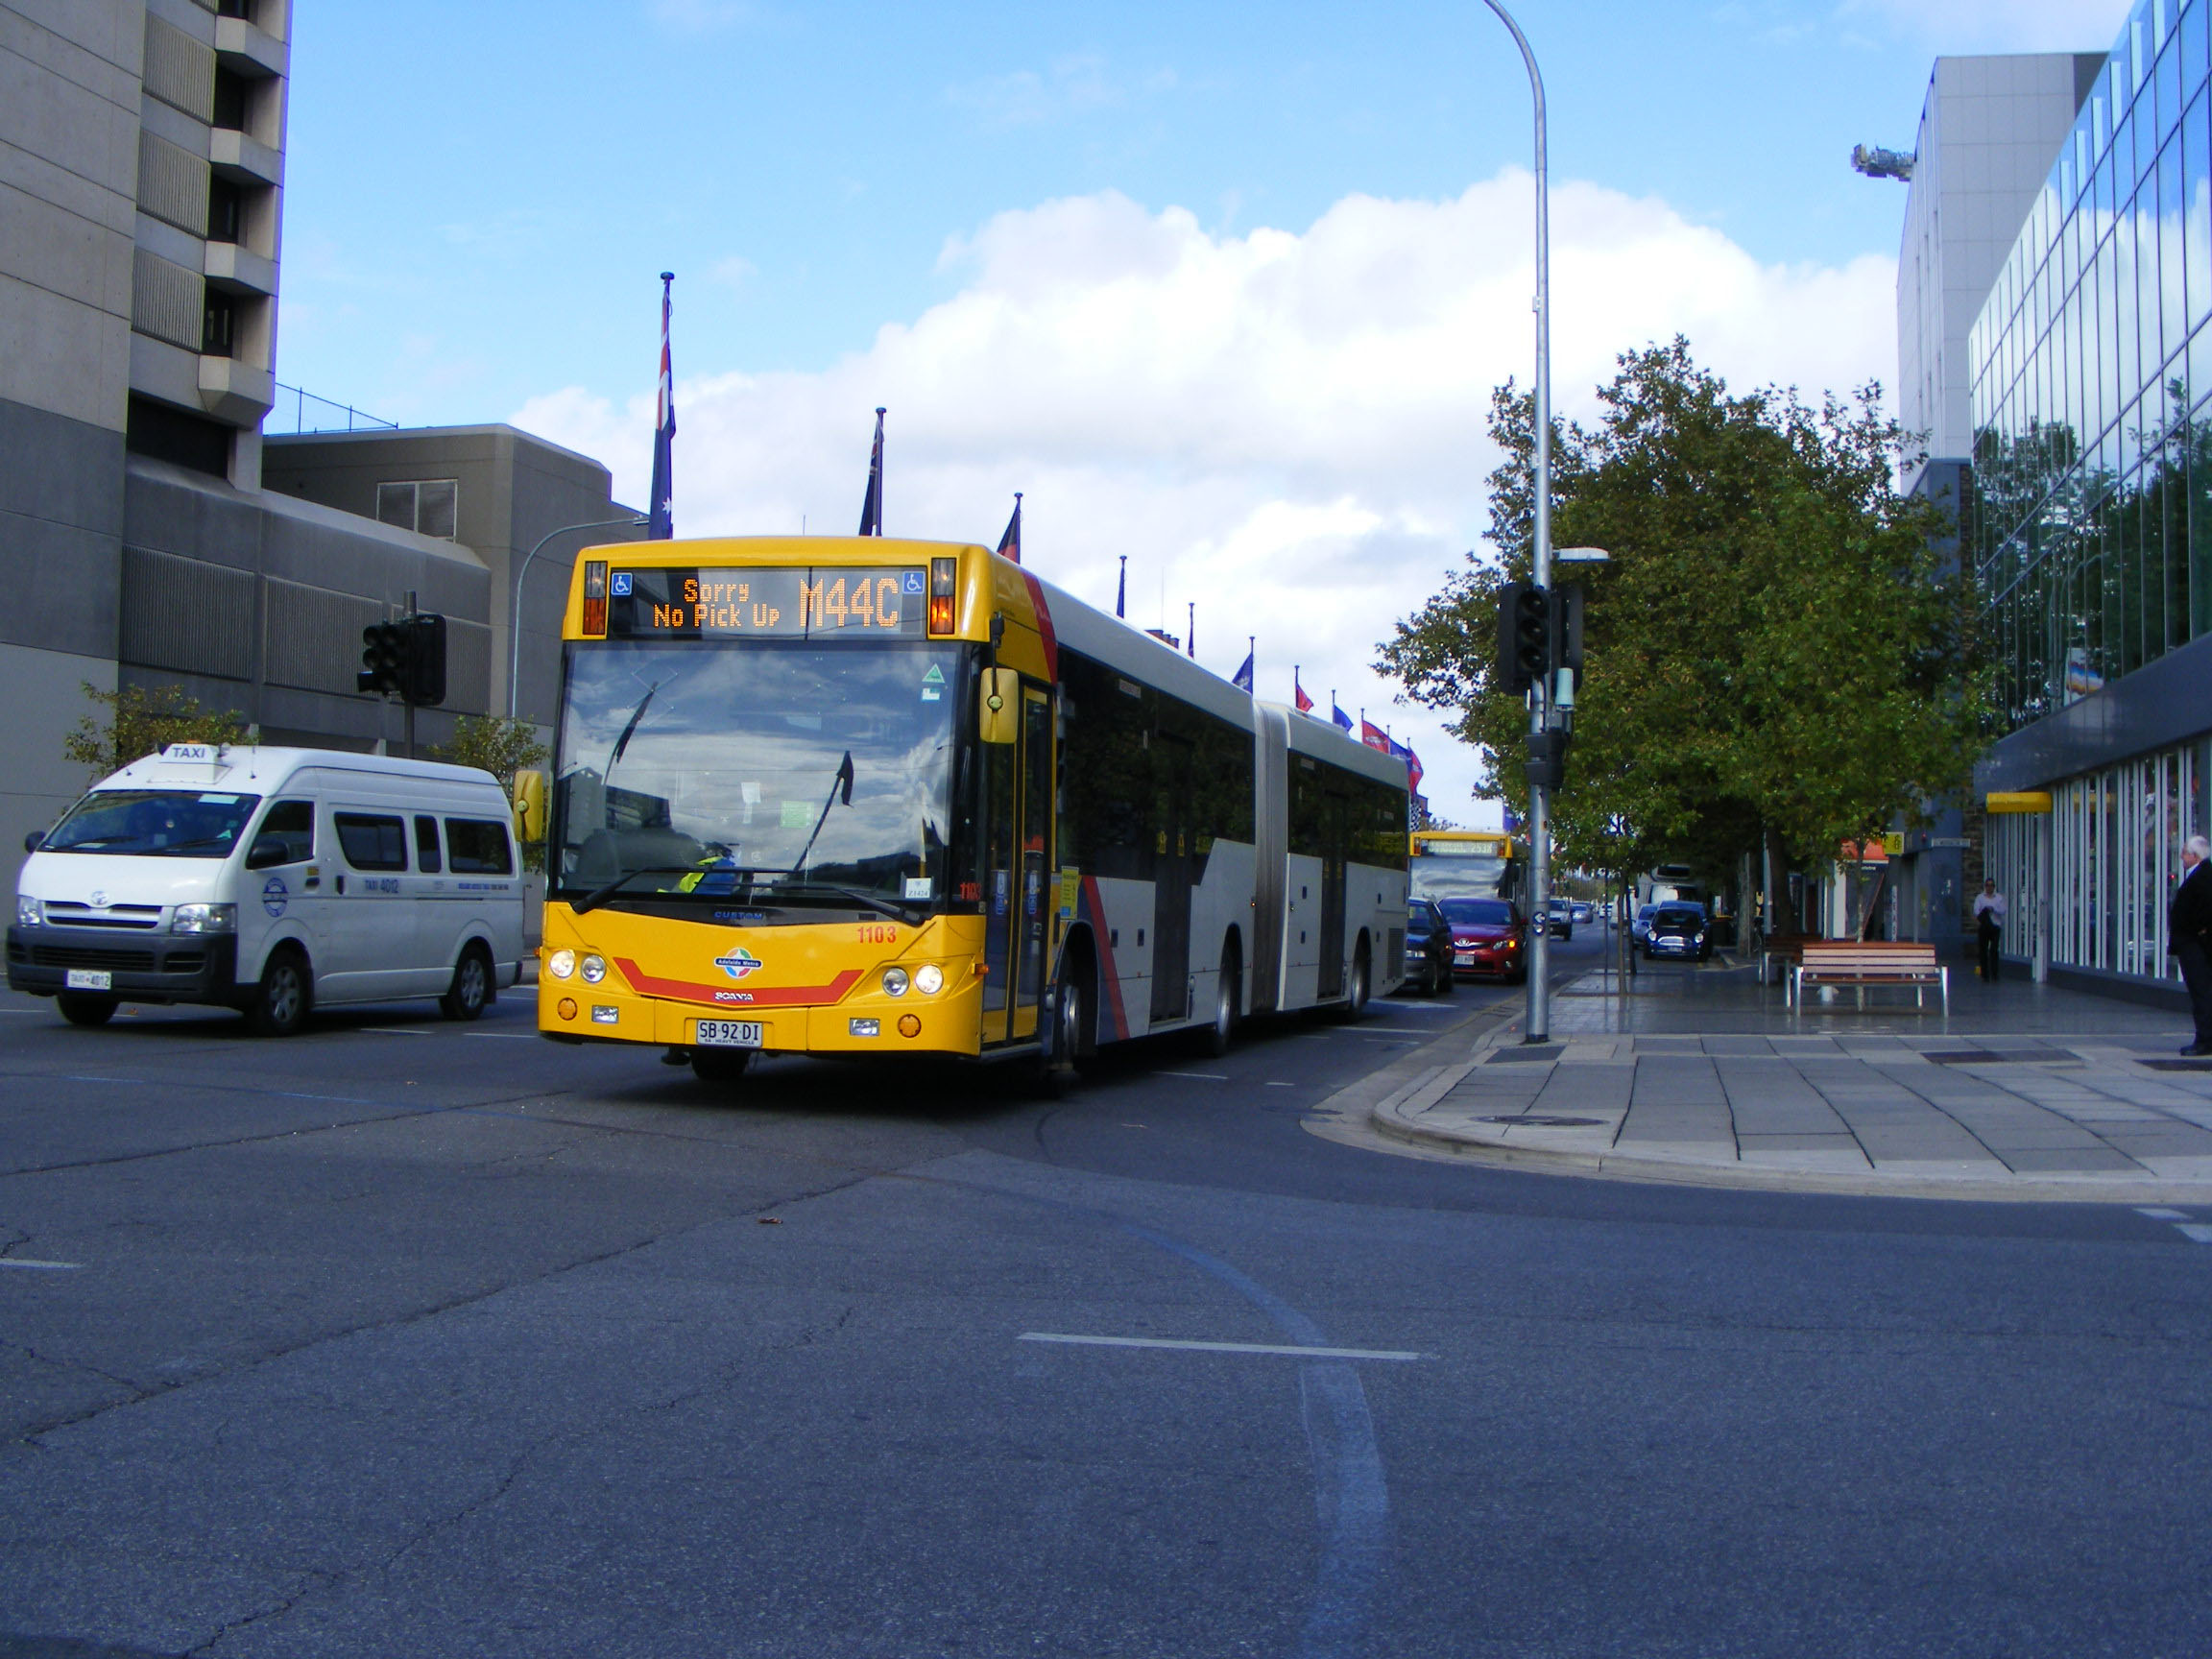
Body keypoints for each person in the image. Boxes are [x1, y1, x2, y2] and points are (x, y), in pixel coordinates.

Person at [2171, 835, 2212, 1057]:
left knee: (2202, 993)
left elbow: (2204, 910)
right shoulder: (2198, 875)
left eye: (2185, 852)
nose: (2182, 856)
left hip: (2196, 945)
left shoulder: (2203, 877)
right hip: (2192, 943)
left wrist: (2197, 933)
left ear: (2195, 856)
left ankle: (2205, 1040)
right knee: (2201, 993)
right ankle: (2205, 1037)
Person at [1972, 878, 2006, 982]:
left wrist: (1994, 909)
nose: (1989, 887)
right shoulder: (1980, 898)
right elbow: (1976, 911)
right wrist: (1985, 910)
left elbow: (2003, 910)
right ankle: (1985, 975)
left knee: (1994, 950)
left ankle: (1994, 973)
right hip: (1984, 927)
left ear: (1994, 887)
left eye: (1991, 885)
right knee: (1983, 951)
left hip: (1995, 927)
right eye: (1987, 885)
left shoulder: (1999, 898)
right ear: (1985, 886)